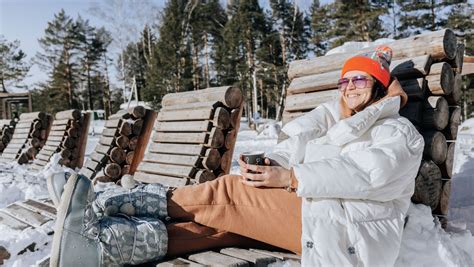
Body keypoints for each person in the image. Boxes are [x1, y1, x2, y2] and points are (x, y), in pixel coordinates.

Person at [49, 45, 424, 267]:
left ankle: (104, 202)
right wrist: (272, 165)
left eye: (359, 79)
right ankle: (101, 250)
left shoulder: (398, 132)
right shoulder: (338, 121)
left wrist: (292, 178)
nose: (349, 88)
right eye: (344, 81)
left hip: (350, 235)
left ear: (378, 85)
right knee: (215, 228)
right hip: (318, 215)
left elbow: (367, 175)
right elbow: (294, 144)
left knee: (228, 194)